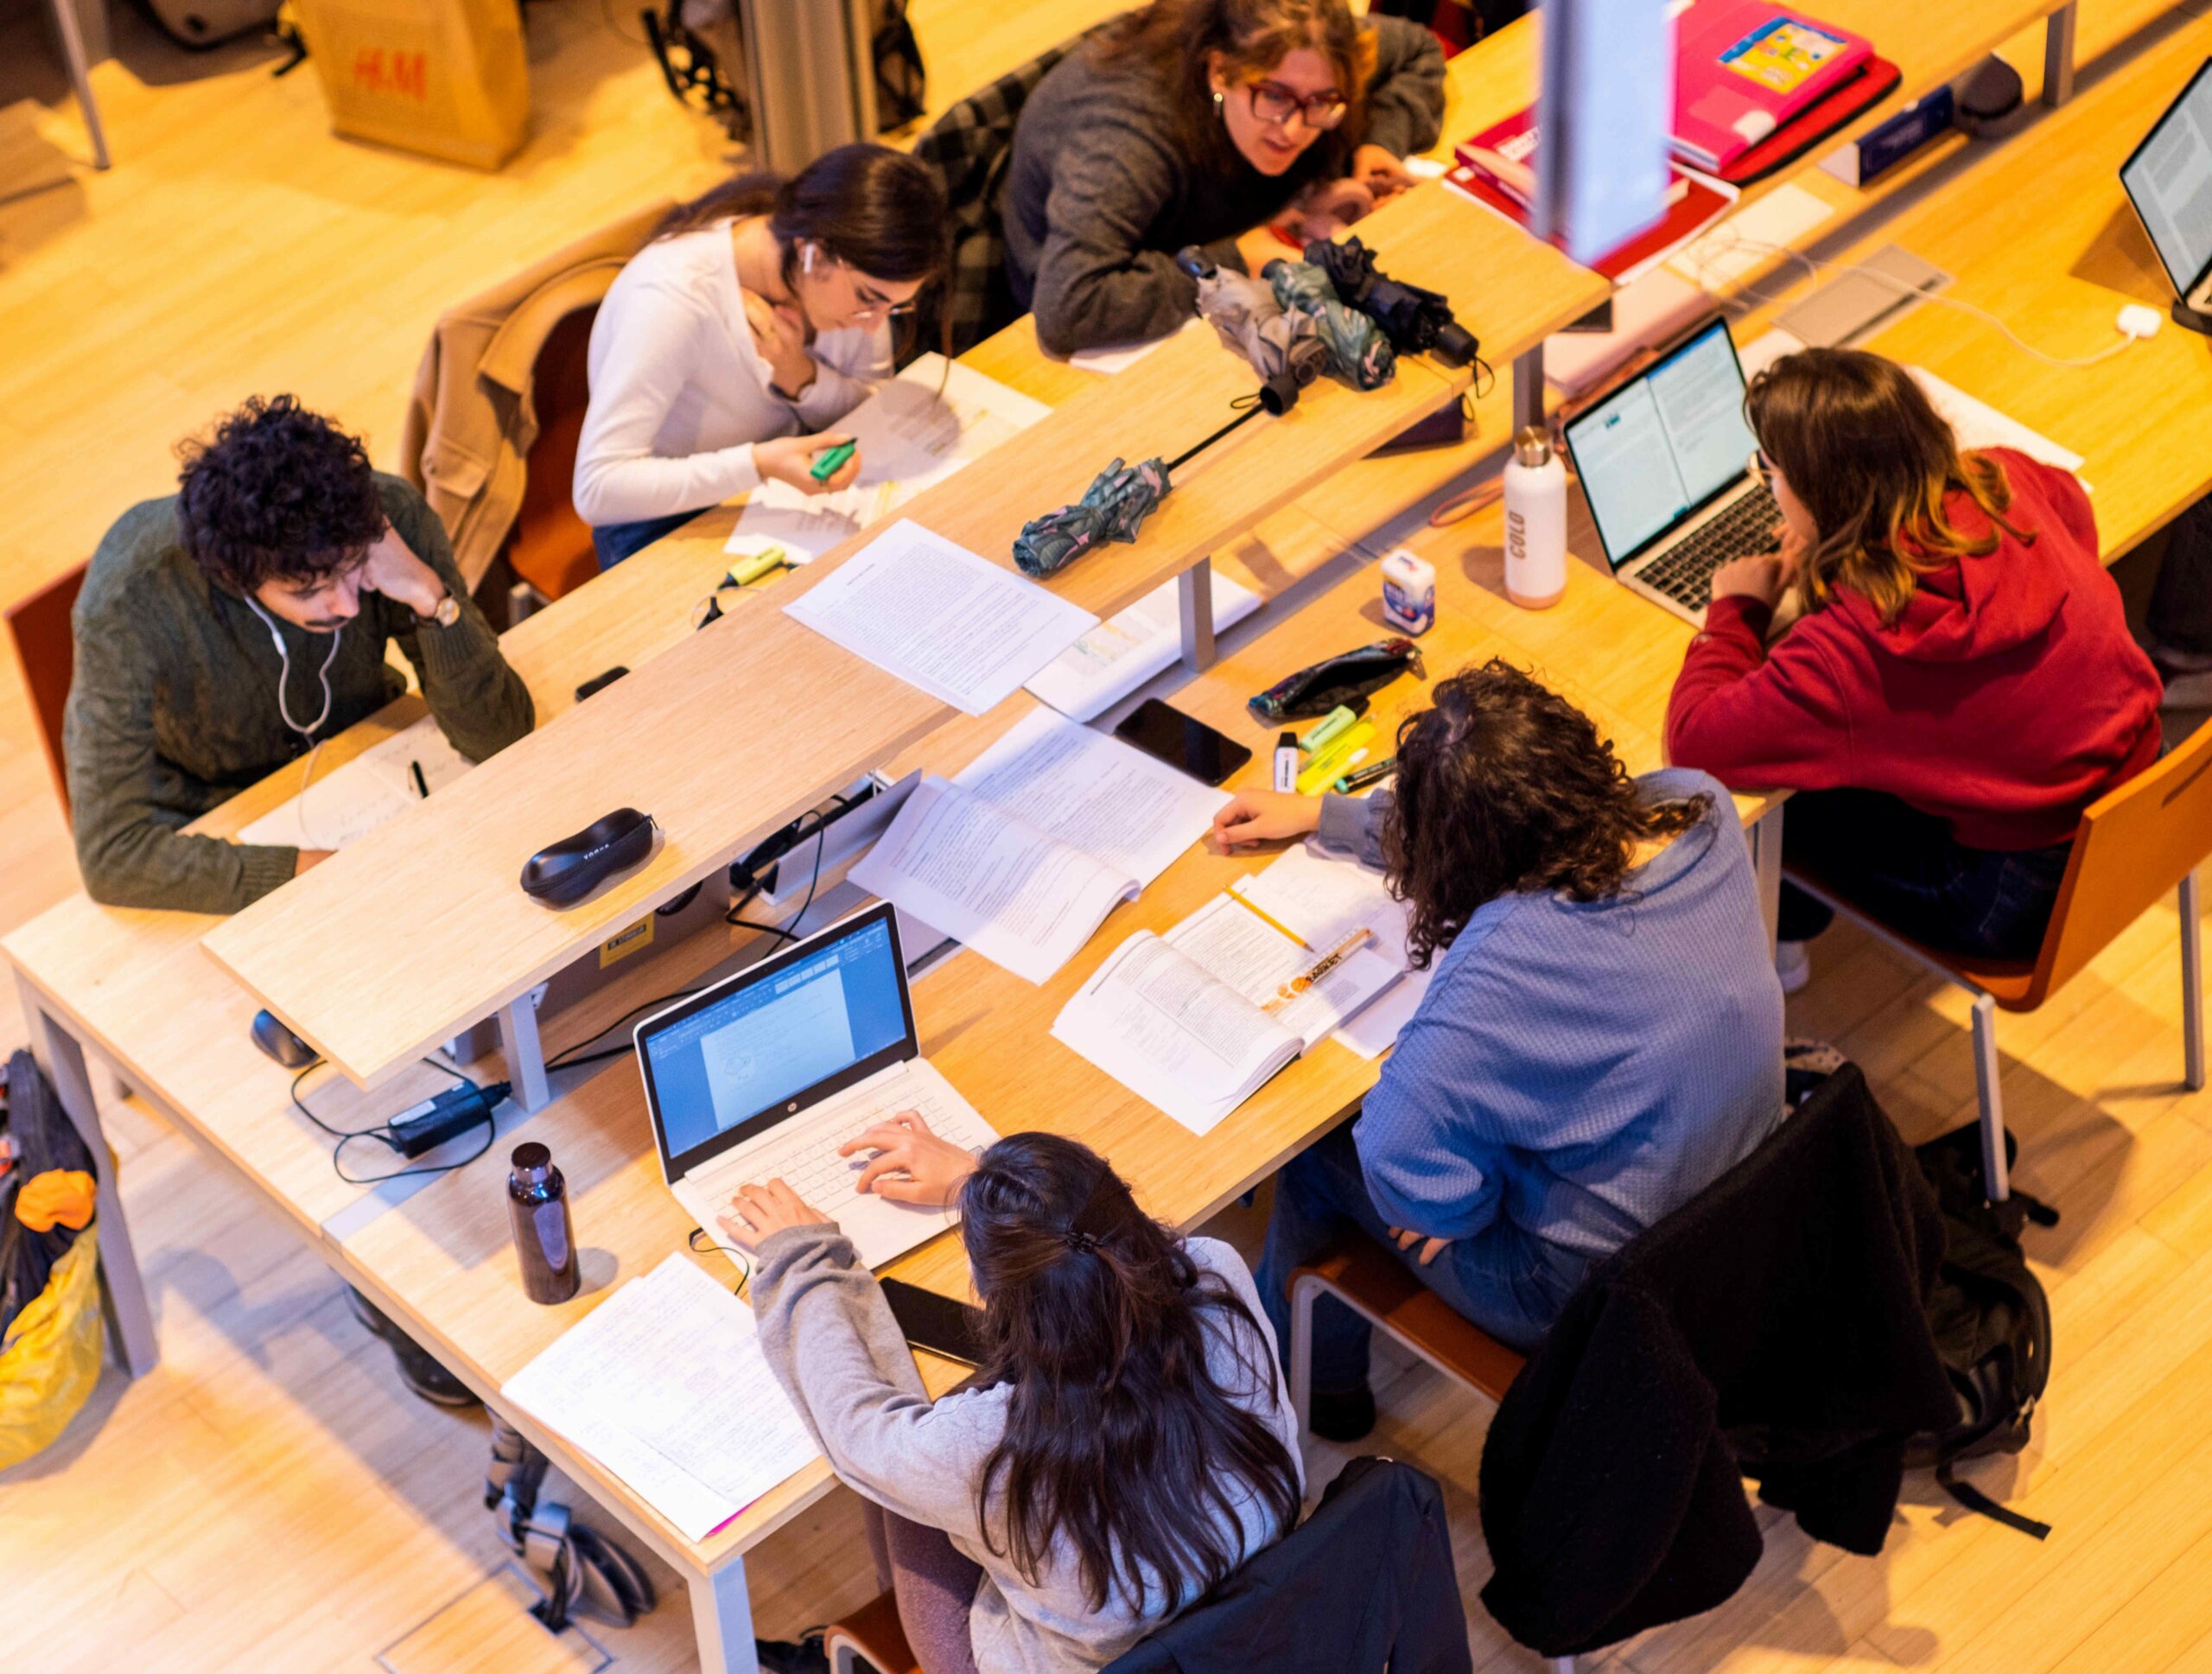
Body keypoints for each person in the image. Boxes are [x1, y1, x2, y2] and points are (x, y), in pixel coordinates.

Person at [1218, 661, 1787, 1442]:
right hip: (1733, 1211)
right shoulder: (1695, 807)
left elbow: (1392, 1145)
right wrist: (1328, 815)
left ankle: (1303, 1390)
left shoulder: (1510, 947)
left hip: (1586, 1292)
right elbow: (1516, 837)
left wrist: (1451, 1213)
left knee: (1318, 1153)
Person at [720, 1126, 1303, 1674]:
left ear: (1000, 1299)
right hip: (1256, 1623)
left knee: (899, 1487)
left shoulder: (988, 1445)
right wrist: (987, 1190)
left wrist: (797, 1252)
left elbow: (859, 1431)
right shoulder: (1214, 1275)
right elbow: (1082, 1244)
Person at [1665, 347, 2164, 986]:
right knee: (1851, 751)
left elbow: (1697, 740)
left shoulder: (1853, 646)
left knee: (1781, 807)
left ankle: (1778, 960)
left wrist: (1736, 610)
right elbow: (2079, 519)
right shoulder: (2002, 482)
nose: (1769, 484)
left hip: (2011, 896)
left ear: (1819, 492)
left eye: (1771, 470)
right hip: (2135, 805)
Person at [65, 394, 534, 916]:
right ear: (234, 575)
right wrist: (308, 872)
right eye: (307, 592)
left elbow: (502, 736)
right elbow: (112, 856)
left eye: (355, 567)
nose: (348, 603)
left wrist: (431, 597)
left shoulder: (385, 516)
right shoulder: (131, 598)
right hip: (217, 812)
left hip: (364, 760)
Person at [572, 144, 950, 569]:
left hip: (773, 496)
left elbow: (871, 408)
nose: (872, 324)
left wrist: (803, 378)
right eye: (869, 300)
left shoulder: (852, 281)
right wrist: (758, 463)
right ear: (813, 253)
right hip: (657, 519)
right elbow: (598, 489)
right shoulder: (672, 298)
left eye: (894, 308)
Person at [1001, 0, 1446, 355]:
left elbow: (1418, 51)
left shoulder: (1314, 47)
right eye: (1274, 96)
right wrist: (1235, 260)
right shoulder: (1128, 135)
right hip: (1067, 327)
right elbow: (1068, 309)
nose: (1293, 130)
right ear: (1220, 70)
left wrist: (1379, 142)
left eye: (1322, 102)